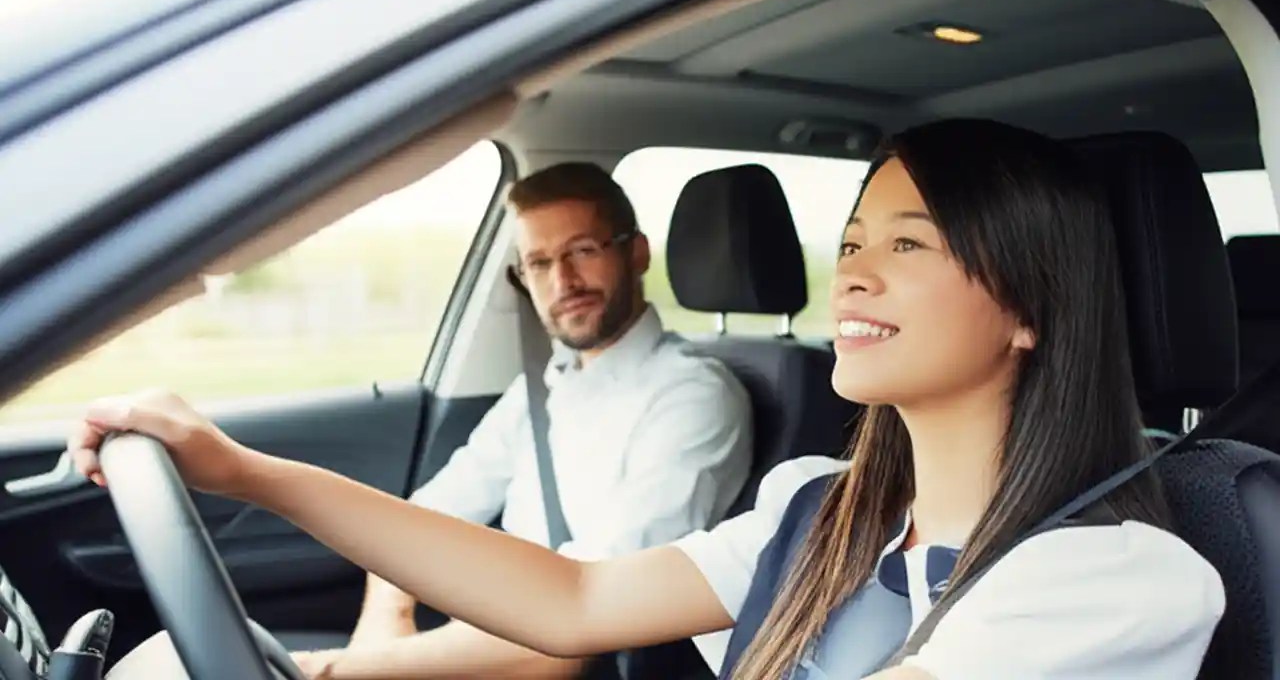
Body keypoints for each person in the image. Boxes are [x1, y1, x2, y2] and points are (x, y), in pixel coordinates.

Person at [70, 119, 1225, 680]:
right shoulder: (818, 512)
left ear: (1028, 306)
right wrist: (241, 470)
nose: (854, 273)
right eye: (852, 239)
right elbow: (571, 599)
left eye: (908, 244)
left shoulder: (1110, 580)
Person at [299, 162, 754, 678]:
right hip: (487, 644)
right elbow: (427, 516)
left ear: (636, 252)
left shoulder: (693, 398)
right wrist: (383, 628)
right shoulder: (541, 387)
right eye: (539, 262)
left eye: (583, 250)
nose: (564, 281)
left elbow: (589, 613)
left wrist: (349, 668)